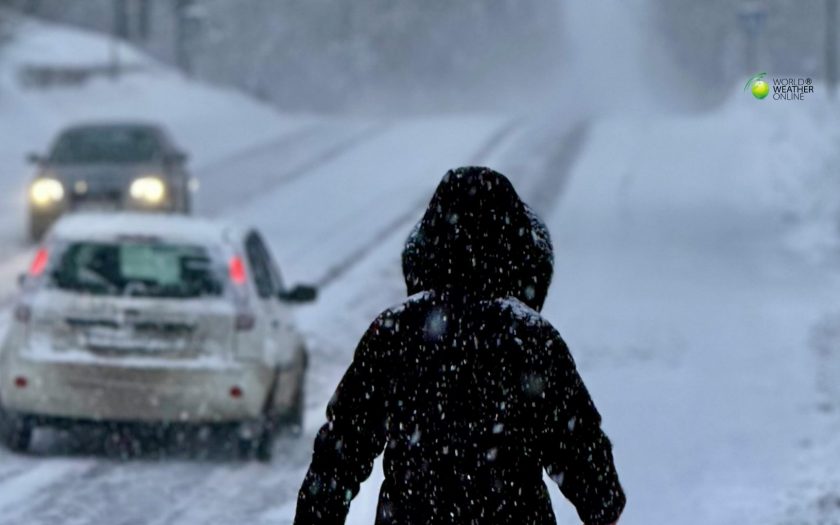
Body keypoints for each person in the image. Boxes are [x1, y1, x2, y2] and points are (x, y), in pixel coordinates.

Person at [294, 167, 625, 525]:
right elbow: (599, 492)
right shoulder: (532, 340)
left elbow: (339, 454)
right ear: (522, 251)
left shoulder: (394, 334)